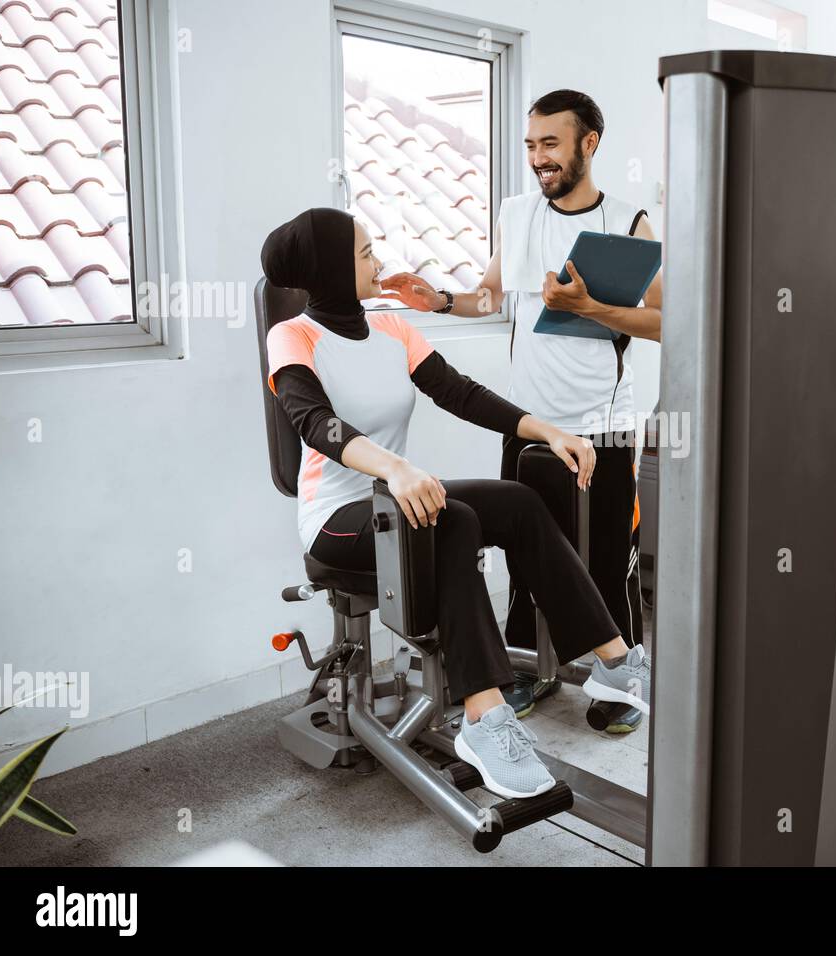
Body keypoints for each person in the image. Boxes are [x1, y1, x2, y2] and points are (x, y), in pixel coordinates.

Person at [260, 206, 650, 800]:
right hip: (336, 521)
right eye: (365, 253)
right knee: (453, 516)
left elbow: (458, 393)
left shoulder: (391, 330)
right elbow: (313, 422)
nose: (377, 260)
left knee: (517, 502)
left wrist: (545, 430)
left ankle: (615, 661)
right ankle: (484, 719)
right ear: (332, 267)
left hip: (402, 499)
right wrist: (395, 469)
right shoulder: (294, 336)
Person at [380, 90, 660, 732]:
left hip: (604, 426)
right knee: (526, 553)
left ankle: (620, 681)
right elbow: (493, 297)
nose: (539, 158)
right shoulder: (517, 214)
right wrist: (443, 299)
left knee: (606, 558)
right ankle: (527, 668)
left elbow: (665, 322)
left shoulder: (628, 222)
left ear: (590, 143)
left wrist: (589, 309)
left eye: (551, 144)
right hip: (529, 422)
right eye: (531, 145)